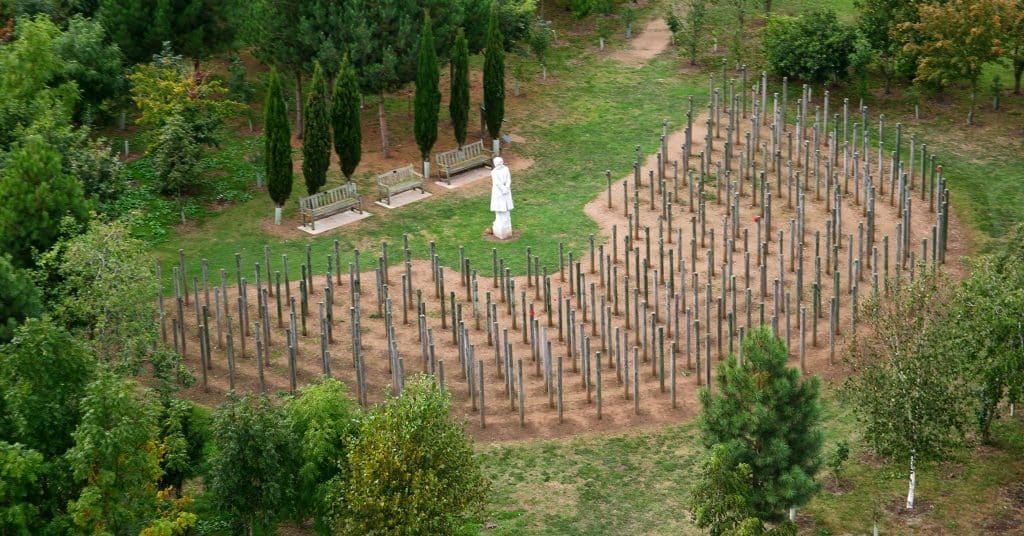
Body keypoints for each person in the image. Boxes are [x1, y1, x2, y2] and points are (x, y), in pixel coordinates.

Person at [490, 157, 514, 239]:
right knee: (500, 207)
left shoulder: (506, 169)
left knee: (506, 206)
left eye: (500, 162)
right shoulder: (494, 172)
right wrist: (504, 189)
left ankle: (506, 221)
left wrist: (507, 187)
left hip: (505, 191)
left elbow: (508, 178)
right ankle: (500, 222)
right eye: (497, 163)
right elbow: (497, 182)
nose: (498, 164)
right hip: (499, 192)